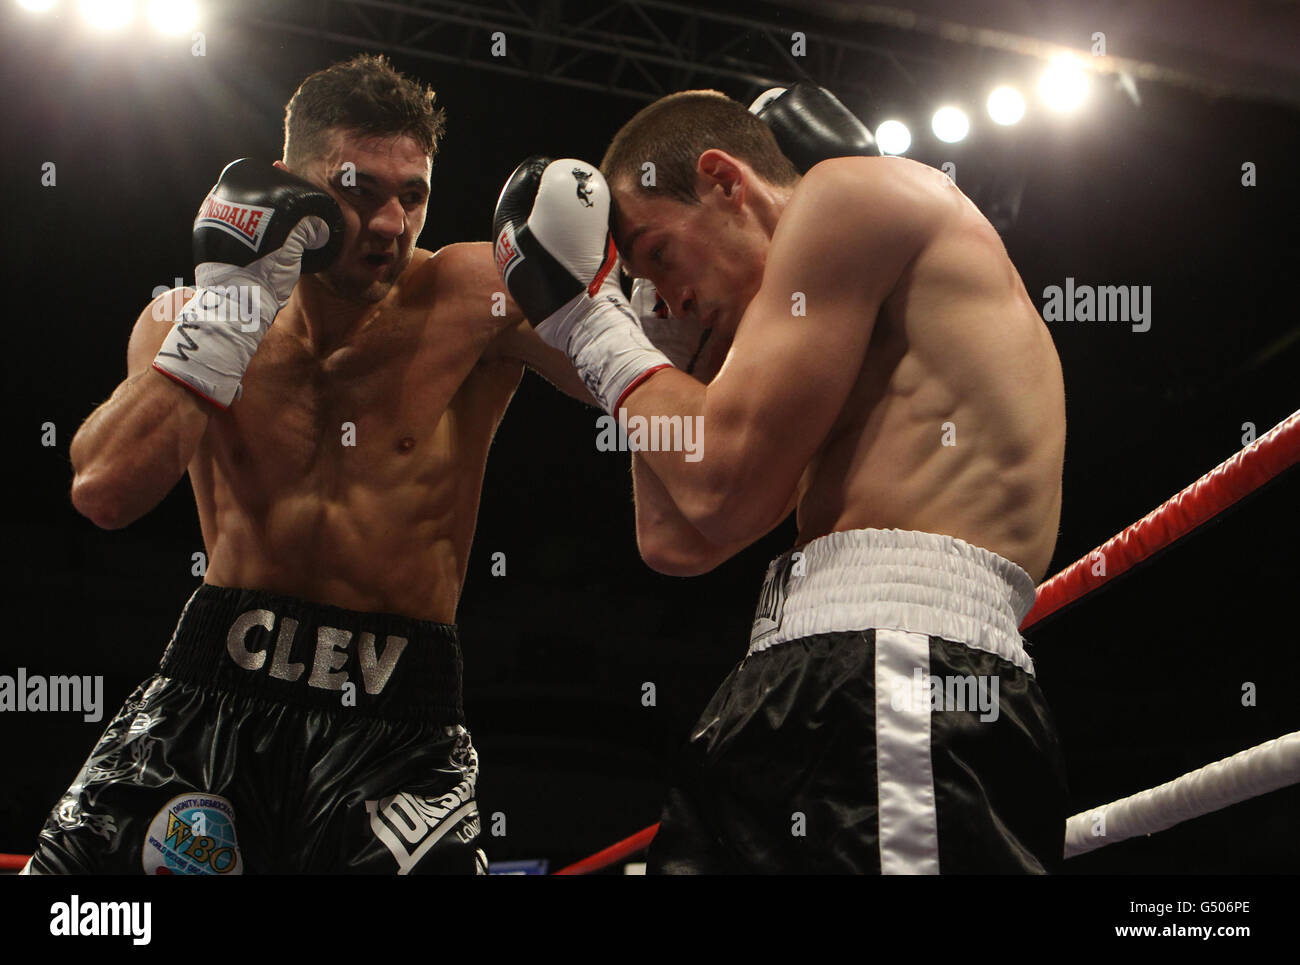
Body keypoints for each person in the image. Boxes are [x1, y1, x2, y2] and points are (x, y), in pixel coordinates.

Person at [27, 53, 585, 875]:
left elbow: (664, 374)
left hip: (400, 719)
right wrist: (228, 315)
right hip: (210, 695)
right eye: (359, 191)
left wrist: (602, 284)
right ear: (288, 184)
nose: (392, 223)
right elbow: (105, 489)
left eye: (413, 194)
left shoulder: (477, 295)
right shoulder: (188, 314)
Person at [492, 85, 1069, 873]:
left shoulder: (850, 192)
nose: (673, 293)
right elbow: (675, 538)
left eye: (661, 256)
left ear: (726, 180)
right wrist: (654, 333)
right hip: (801, 673)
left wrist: (591, 328)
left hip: (902, 669)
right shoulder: (823, 344)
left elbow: (720, 485)